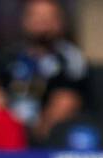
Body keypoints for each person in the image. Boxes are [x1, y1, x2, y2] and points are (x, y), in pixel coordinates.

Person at [6, 0, 87, 141]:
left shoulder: (70, 57)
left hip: (49, 129)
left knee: (64, 102)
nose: (42, 23)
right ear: (24, 21)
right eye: (36, 16)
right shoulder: (9, 56)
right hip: (12, 124)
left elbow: (68, 98)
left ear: (60, 23)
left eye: (48, 17)